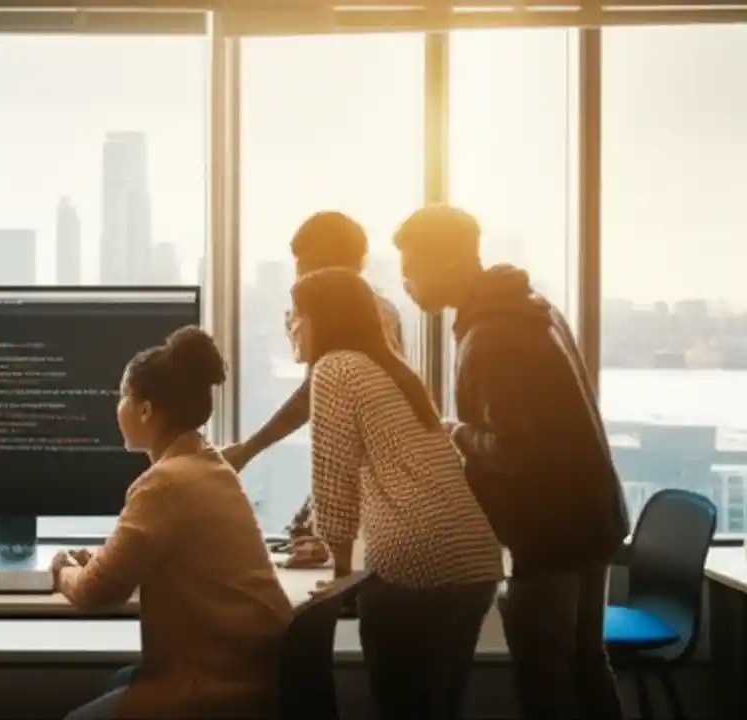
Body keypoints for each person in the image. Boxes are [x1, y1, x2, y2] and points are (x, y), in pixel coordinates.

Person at [394, 204, 629, 720]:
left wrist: (458, 434)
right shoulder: (530, 305)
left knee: (545, 681)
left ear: (447, 264)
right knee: (587, 665)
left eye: (411, 268)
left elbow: (517, 449)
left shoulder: (490, 336)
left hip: (549, 532)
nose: (405, 282)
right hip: (593, 515)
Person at [291, 268, 502, 720]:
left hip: (416, 565)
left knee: (402, 708)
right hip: (473, 561)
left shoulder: (335, 367)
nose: (291, 326)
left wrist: (342, 573)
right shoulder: (391, 367)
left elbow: (333, 478)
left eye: (298, 315)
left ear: (323, 318)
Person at [51, 326, 292, 720]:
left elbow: (97, 590)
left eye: (122, 396)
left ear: (145, 409)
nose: (117, 407)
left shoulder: (164, 483)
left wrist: (61, 568)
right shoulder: (210, 464)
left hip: (215, 684)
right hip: (255, 669)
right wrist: (102, 560)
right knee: (119, 680)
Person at [221, 212, 403, 564]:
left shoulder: (343, 320)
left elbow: (313, 402)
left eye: (306, 267)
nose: (300, 279)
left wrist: (248, 450)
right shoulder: (381, 312)